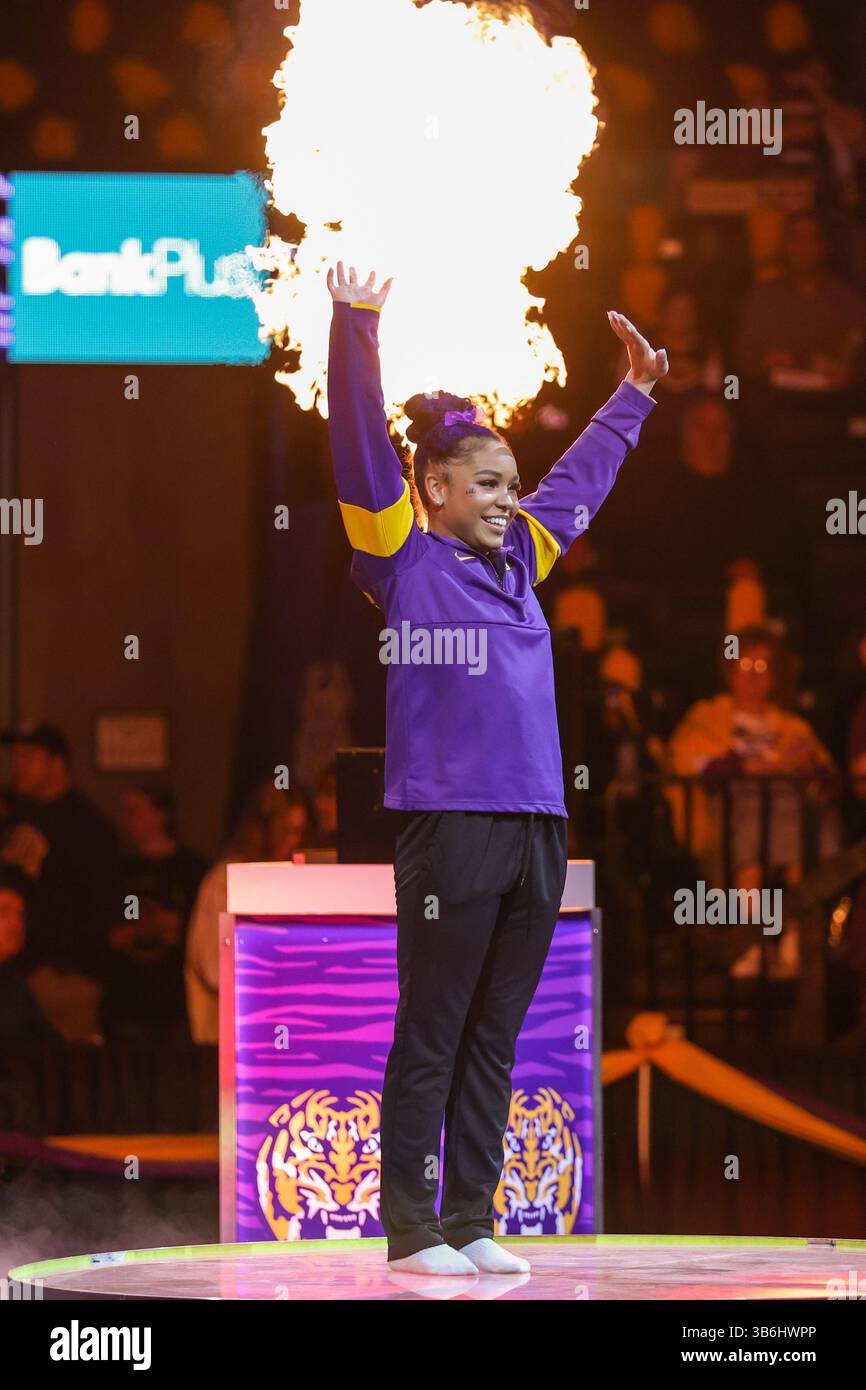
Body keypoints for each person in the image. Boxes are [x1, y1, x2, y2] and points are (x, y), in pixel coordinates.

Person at [326, 261, 666, 1275]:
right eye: (485, 484)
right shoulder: (400, 557)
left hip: (534, 828)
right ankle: (408, 1228)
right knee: (431, 1026)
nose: (505, 501)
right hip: (450, 825)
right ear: (432, 488)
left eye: (510, 488)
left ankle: (472, 1216)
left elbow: (579, 485)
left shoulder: (522, 558)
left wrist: (633, 395)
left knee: (492, 1036)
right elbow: (354, 445)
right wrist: (355, 325)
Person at [667, 626, 841, 977]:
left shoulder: (792, 726)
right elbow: (686, 761)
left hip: (789, 810)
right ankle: (752, 942)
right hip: (737, 810)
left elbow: (829, 777)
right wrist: (741, 765)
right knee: (749, 823)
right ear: (730, 671)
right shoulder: (708, 717)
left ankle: (796, 938)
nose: (752, 676)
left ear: (775, 677)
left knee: (812, 829)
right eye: (745, 665)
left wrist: (806, 764)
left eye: (762, 668)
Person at [0, 720, 122, 1042]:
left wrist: (70, 970)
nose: (17, 766)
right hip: (15, 973)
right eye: (14, 757)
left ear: (57, 763)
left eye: (27, 757)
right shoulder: (16, 816)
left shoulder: (88, 826)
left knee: (62, 1076)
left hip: (62, 977)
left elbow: (105, 907)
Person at [184, 782, 313, 1045]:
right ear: (266, 831)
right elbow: (213, 969)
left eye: (301, 832)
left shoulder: (300, 880)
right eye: (288, 832)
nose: (296, 841)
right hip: (232, 1038)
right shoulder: (224, 883)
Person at [101, 784, 207, 1041]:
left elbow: (205, 932)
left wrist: (172, 924)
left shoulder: (191, 869)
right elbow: (105, 927)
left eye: (135, 811)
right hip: (127, 1002)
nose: (127, 820)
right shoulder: (116, 869)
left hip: (175, 1003)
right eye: (125, 812)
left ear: (161, 815)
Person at [0, 864, 59, 1041]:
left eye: (21, 915)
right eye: (2, 912)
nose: (16, 924)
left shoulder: (12, 980)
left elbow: (43, 1039)